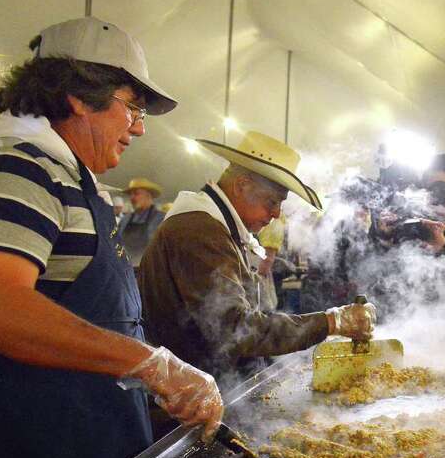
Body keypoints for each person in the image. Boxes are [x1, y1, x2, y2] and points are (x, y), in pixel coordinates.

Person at [0, 16, 223, 458]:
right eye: (131, 106)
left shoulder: (67, 179)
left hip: (68, 451)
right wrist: (152, 365)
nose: (139, 127)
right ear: (79, 98)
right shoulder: (11, 166)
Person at [138, 130, 375, 380]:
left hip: (205, 377)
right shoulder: (200, 229)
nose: (275, 214)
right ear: (242, 185)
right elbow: (234, 329)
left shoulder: (214, 225)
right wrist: (332, 322)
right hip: (188, 387)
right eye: (272, 201)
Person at [116, 177, 165, 267]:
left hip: (150, 270)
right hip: (126, 270)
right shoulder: (125, 219)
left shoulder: (161, 219)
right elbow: (116, 243)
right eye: (130, 194)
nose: (132, 198)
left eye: (136, 194)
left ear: (148, 196)